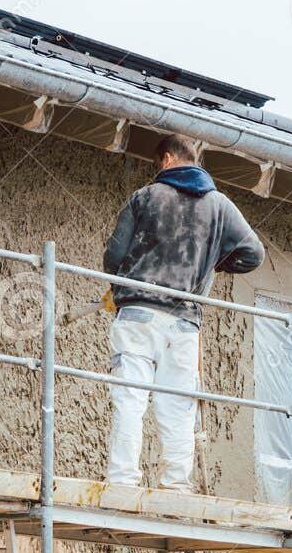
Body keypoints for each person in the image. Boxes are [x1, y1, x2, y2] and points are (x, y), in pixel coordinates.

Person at [102, 134, 264, 490]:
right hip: (184, 323)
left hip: (138, 313)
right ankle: (176, 487)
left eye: (158, 163)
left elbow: (114, 255)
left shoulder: (145, 197)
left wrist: (120, 288)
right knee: (177, 407)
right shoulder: (220, 206)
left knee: (130, 400)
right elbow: (253, 253)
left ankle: (122, 481)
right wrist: (211, 263)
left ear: (168, 159)